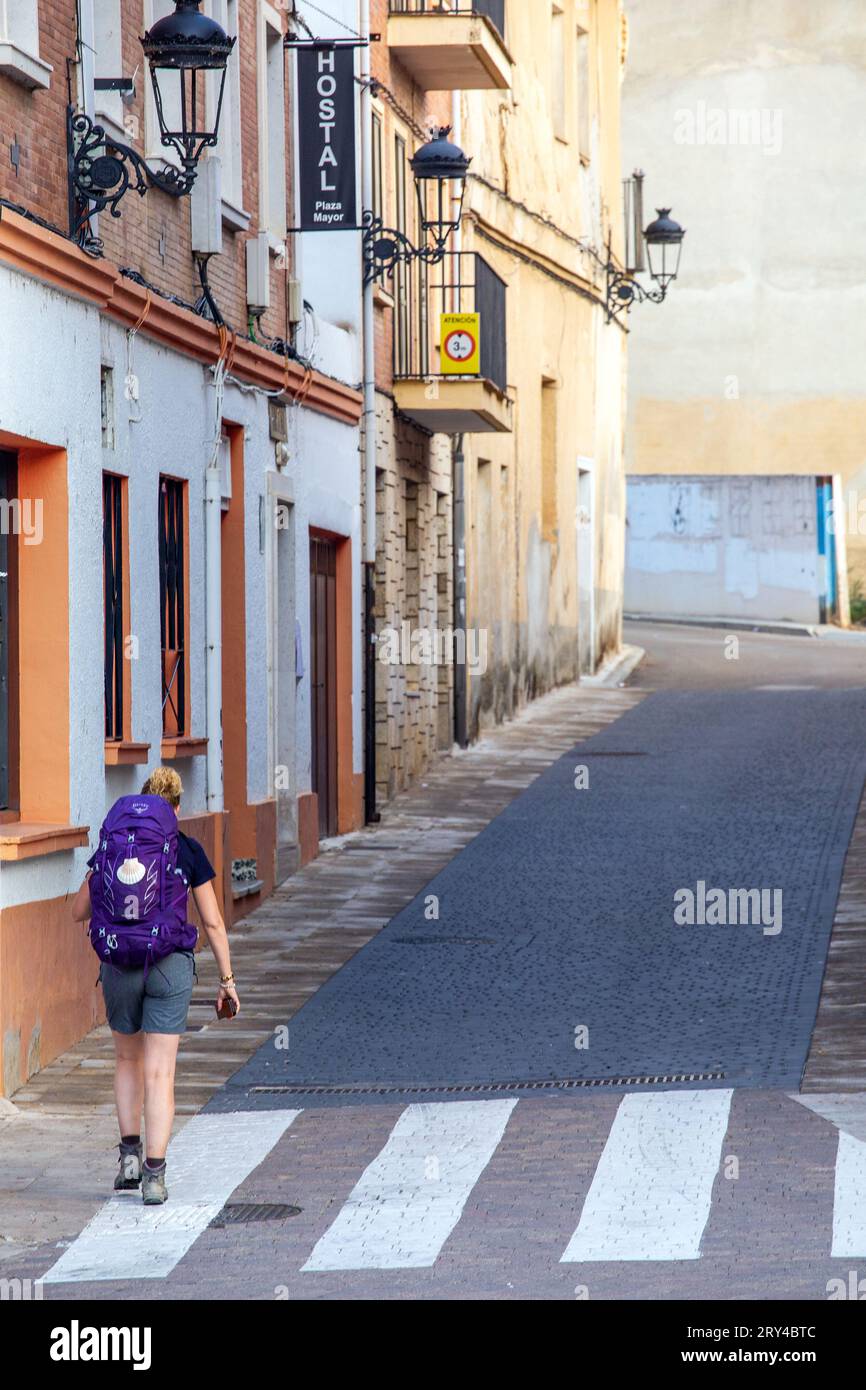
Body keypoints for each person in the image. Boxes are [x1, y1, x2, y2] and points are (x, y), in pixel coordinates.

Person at [71, 767, 240, 1205]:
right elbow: (214, 922)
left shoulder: (115, 844)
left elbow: (78, 911)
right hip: (168, 965)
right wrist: (226, 979)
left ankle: (128, 1158)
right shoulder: (186, 849)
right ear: (177, 808)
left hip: (118, 964)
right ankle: (154, 1176)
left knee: (127, 1059)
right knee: (161, 1072)